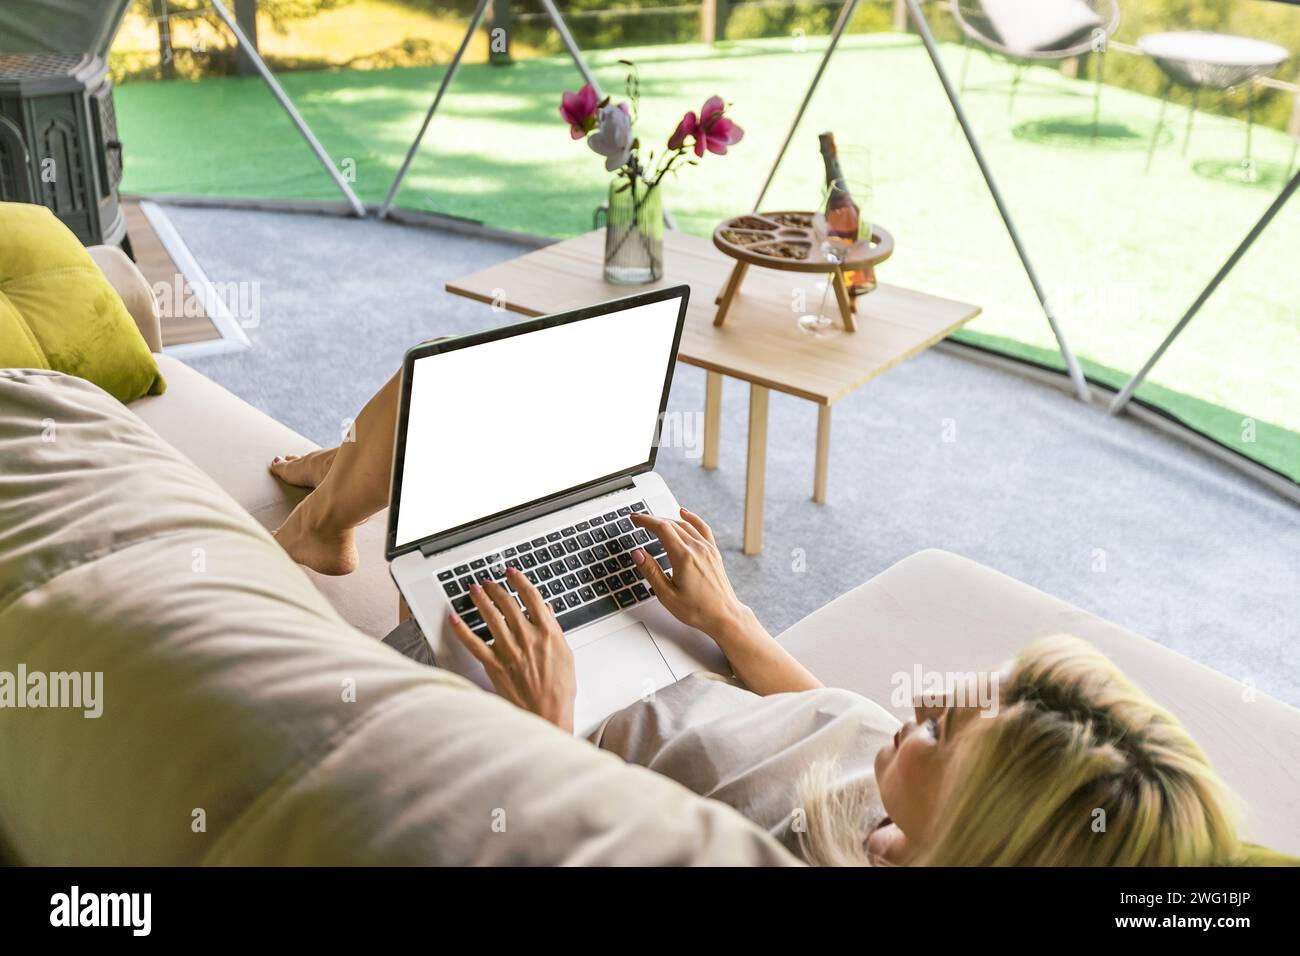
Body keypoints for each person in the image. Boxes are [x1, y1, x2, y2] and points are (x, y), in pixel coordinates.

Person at [270, 386, 1242, 867]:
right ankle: (348, 470)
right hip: (662, 666)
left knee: (444, 437)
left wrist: (541, 724)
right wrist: (725, 613)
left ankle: (328, 521)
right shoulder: (911, 810)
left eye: (949, 728)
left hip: (558, 727)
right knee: (478, 405)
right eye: (970, 690)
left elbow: (569, 839)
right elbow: (827, 715)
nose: (925, 699)